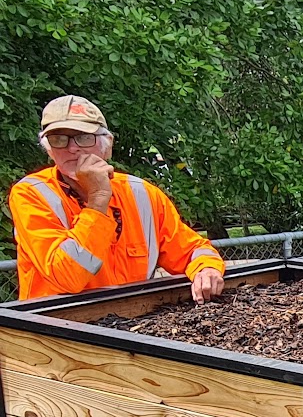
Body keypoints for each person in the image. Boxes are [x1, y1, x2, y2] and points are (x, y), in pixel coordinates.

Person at [8, 95, 225, 303]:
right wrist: (98, 199)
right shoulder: (31, 194)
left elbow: (190, 249)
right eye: (58, 139)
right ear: (49, 150)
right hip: (55, 331)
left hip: (131, 323)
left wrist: (206, 268)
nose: (72, 148)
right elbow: (68, 277)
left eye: (83, 137)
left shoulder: (142, 194)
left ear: (107, 145)